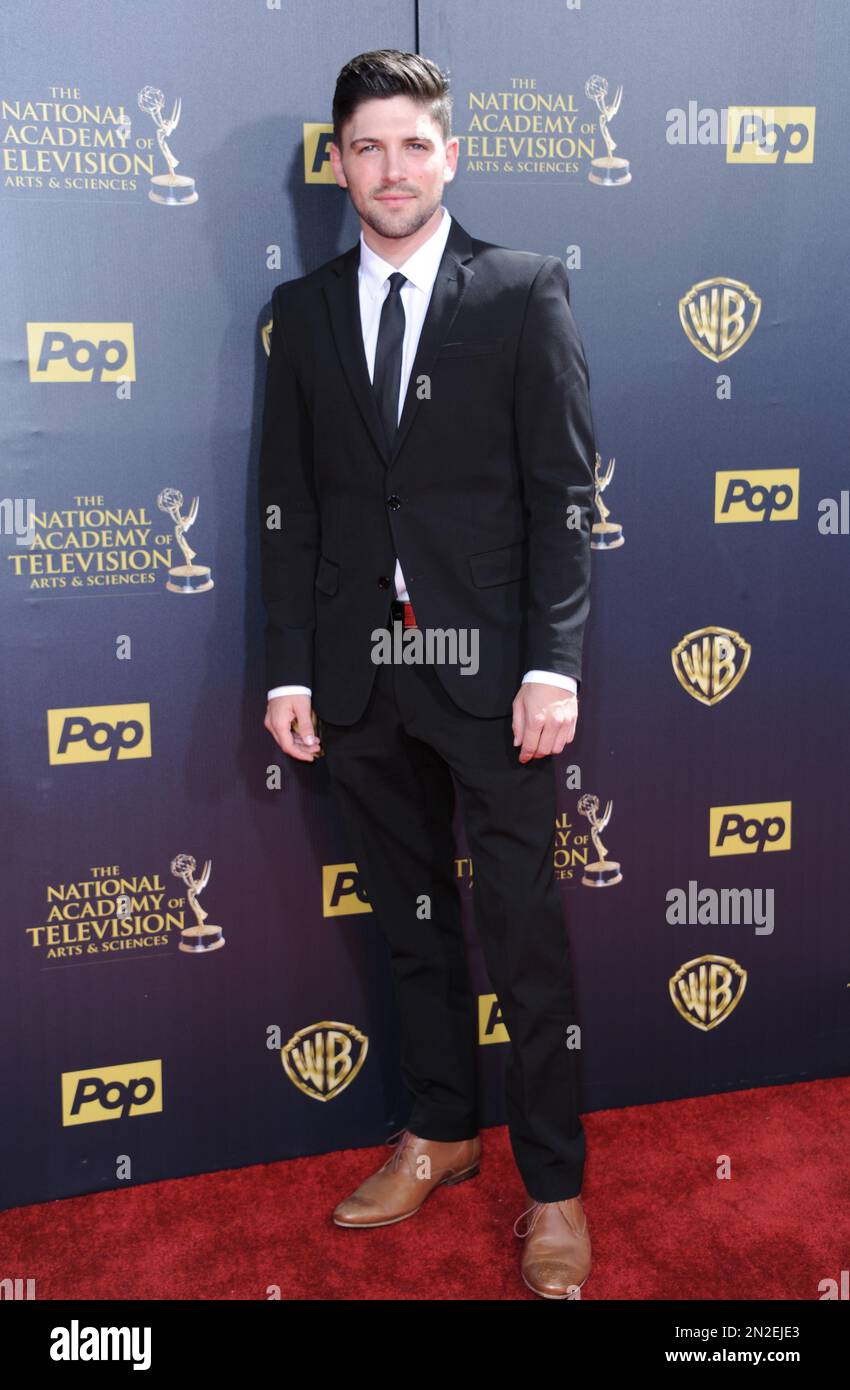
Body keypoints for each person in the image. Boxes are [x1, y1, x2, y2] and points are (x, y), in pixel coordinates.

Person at [259, 48, 598, 1299]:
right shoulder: (299, 312)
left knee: (523, 937)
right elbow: (285, 503)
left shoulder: (520, 290)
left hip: (493, 677)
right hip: (361, 676)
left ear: (450, 154)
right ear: (337, 162)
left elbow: (564, 499)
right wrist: (287, 670)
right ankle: (443, 1134)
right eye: (366, 147)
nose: (390, 170)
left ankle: (554, 1192)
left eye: (413, 145)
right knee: (408, 928)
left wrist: (553, 665)